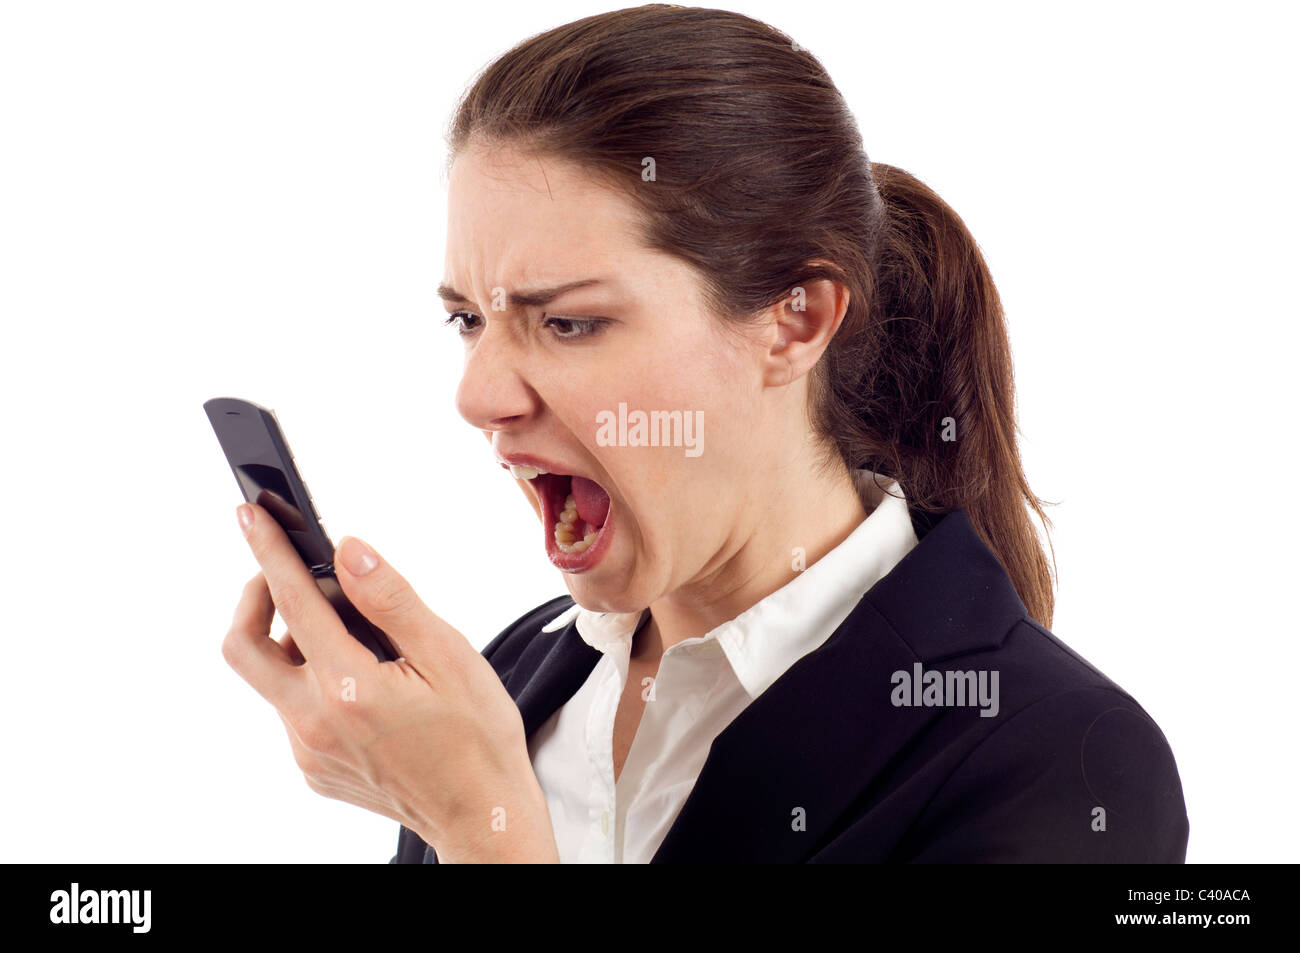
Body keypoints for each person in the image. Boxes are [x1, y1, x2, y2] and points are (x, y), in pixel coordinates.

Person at [227, 4, 1189, 863]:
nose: (478, 396)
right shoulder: (511, 683)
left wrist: (484, 824)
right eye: (468, 319)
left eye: (568, 322)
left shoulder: (1060, 759)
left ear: (795, 321)